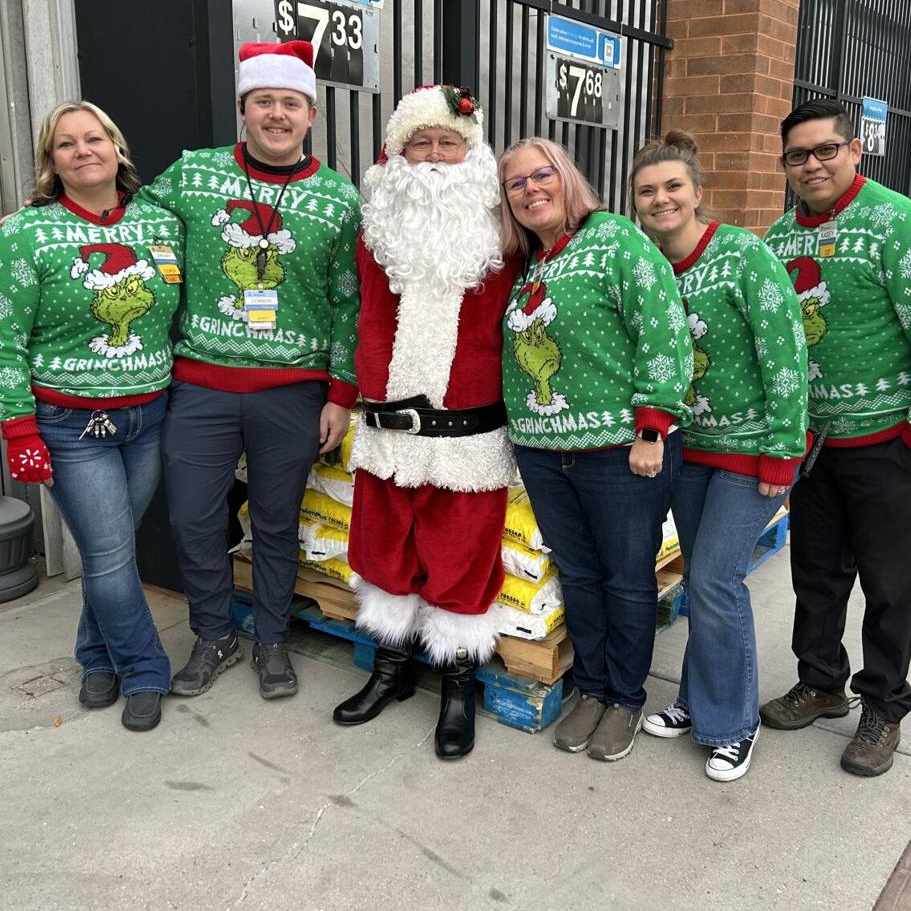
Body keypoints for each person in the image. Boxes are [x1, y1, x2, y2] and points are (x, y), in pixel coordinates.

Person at [142, 42, 362, 700]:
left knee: (275, 522)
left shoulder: (338, 199)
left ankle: (270, 638)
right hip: (201, 384)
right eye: (263, 101)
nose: (276, 114)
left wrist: (341, 393)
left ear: (311, 114)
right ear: (243, 108)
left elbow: (349, 301)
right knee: (192, 520)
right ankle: (214, 635)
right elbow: (137, 228)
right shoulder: (193, 174)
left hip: (292, 392)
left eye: (290, 103)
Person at [759, 99, 911, 777]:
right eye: (798, 154)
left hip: (889, 443)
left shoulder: (899, 226)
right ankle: (821, 682)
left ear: (854, 150)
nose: (812, 164)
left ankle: (883, 705)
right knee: (816, 576)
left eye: (826, 149)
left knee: (889, 583)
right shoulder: (779, 239)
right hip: (813, 446)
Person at [0, 101, 183, 732]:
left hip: (148, 417)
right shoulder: (25, 233)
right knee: (111, 554)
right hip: (71, 429)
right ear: (52, 161)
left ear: (116, 148)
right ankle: (144, 668)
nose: (82, 150)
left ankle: (96, 656)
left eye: (94, 138)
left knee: (107, 552)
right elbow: (2, 339)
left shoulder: (162, 223)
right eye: (66, 144)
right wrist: (18, 427)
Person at [331, 85, 519, 760]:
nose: (435, 156)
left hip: (470, 434)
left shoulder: (506, 230)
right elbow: (350, 313)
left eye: (449, 143)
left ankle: (457, 687)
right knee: (383, 549)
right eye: (422, 143)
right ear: (397, 151)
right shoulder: (374, 226)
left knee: (462, 557)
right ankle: (390, 669)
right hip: (386, 431)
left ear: (473, 154)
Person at [498, 138, 692, 763]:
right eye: (516, 184)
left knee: (627, 579)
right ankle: (591, 686)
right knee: (578, 574)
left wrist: (652, 425)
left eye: (542, 175)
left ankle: (625, 697)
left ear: (567, 178)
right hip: (543, 450)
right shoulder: (528, 264)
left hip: (618, 450)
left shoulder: (615, 239)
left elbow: (661, 326)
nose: (531, 190)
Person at [629, 131, 809, 782]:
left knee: (713, 580)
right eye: (647, 191)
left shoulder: (742, 255)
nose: (661, 199)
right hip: (687, 451)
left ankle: (733, 724)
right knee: (702, 579)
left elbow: (784, 350)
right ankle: (695, 700)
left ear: (697, 192)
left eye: (672, 186)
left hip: (749, 450)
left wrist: (783, 450)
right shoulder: (646, 266)